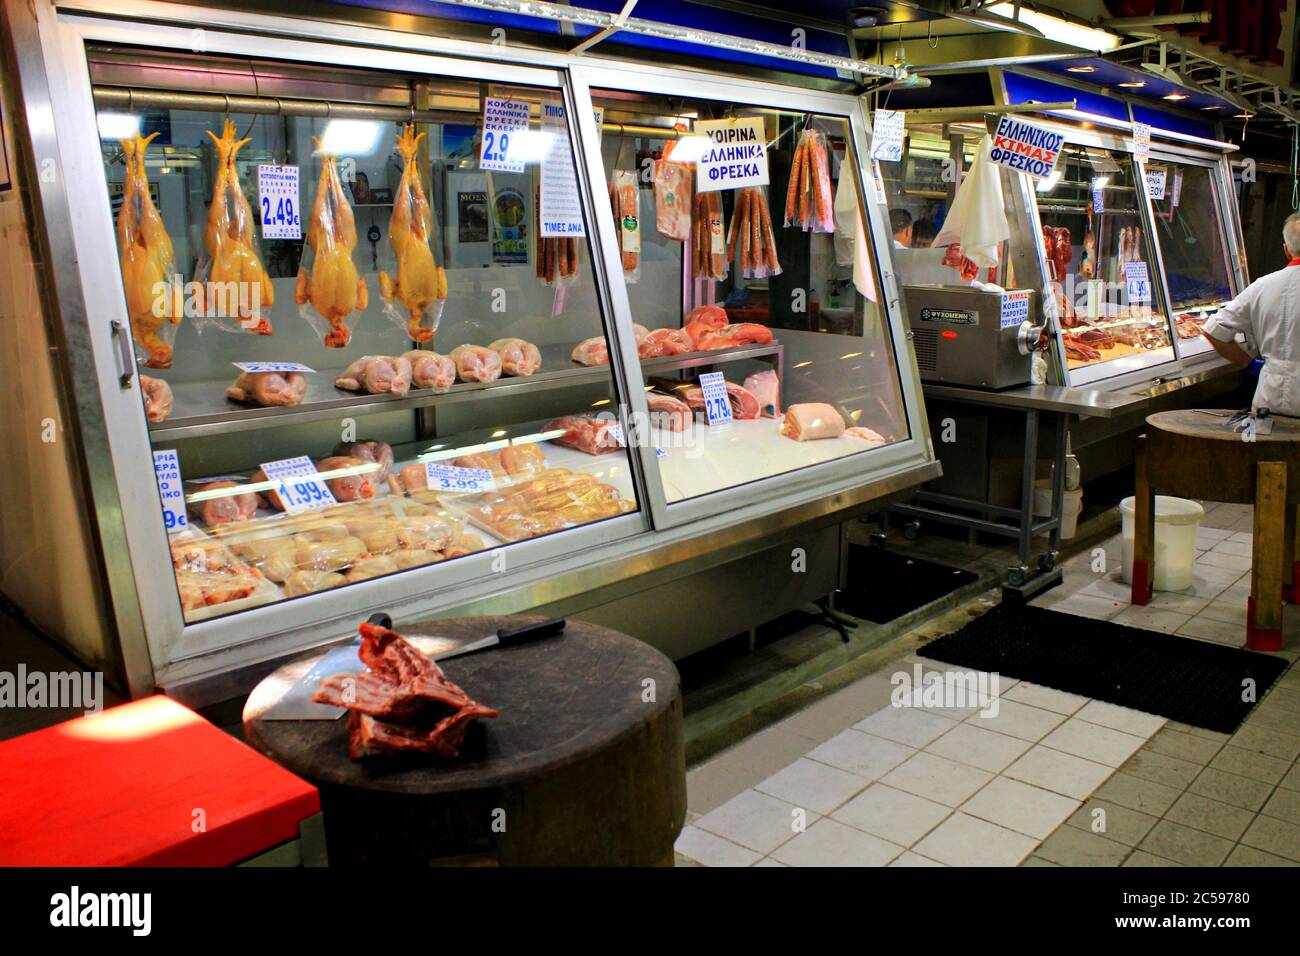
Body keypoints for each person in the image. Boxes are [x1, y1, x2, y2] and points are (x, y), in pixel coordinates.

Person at [1203, 212, 1300, 417]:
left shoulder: (1262, 286)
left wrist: (1250, 365)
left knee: (1269, 450)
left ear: (1286, 250)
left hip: (1270, 401)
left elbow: (1213, 330)